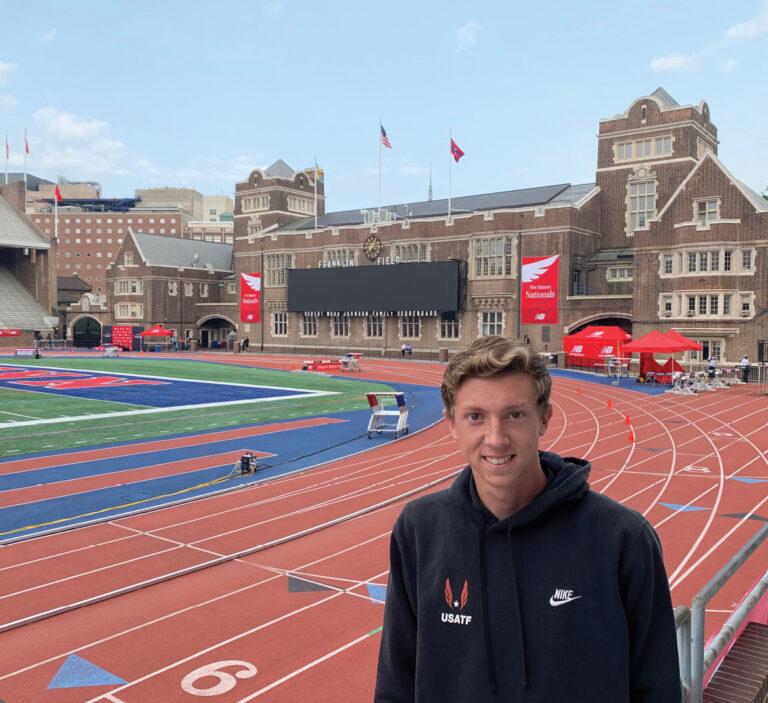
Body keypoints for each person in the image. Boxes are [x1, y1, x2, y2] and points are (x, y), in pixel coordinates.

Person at [375, 335, 680, 702]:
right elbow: (396, 685)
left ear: (544, 419)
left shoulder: (623, 539)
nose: (496, 439)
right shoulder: (419, 530)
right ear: (452, 424)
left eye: (514, 415)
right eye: (475, 417)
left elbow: (657, 687)